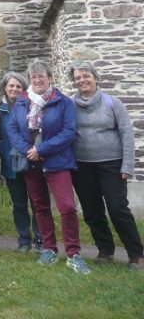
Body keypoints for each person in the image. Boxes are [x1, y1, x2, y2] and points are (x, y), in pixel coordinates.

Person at [7, 59, 90, 274]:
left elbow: (68, 132)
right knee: (41, 207)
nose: (37, 80)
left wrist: (41, 150)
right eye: (33, 77)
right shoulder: (22, 102)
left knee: (67, 207)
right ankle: (50, 249)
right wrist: (28, 150)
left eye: (41, 76)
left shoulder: (63, 102)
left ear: (50, 78)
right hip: (31, 163)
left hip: (57, 162)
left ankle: (73, 254)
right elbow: (12, 129)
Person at [70, 61, 143, 271]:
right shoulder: (70, 104)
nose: (82, 80)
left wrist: (127, 166)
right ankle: (105, 250)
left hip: (112, 165)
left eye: (86, 76)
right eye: (78, 77)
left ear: (95, 77)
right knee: (92, 211)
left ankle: (136, 254)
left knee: (117, 208)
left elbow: (126, 134)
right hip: (82, 167)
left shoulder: (113, 103)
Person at [0, 71, 42, 252]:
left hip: (31, 161)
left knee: (37, 203)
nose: (14, 89)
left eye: (18, 86)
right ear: (5, 88)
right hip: (10, 163)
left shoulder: (32, 107)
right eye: (11, 86)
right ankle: (24, 240)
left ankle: (40, 239)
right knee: (19, 204)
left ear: (24, 89)